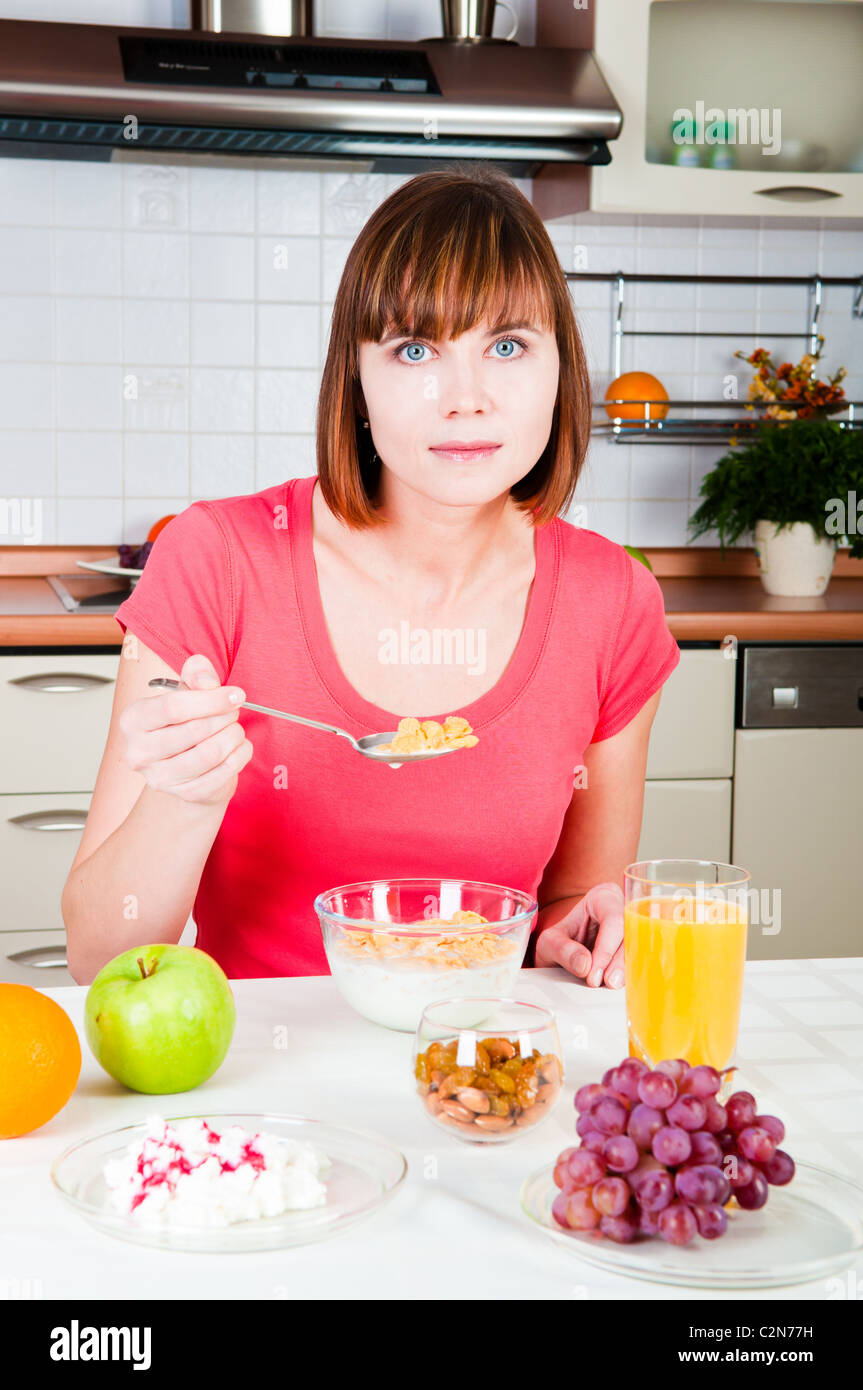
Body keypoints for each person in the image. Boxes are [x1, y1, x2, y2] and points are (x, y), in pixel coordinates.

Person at [62, 167, 680, 987]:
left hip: (483, 1076)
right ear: (355, 379)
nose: (466, 398)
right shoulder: (218, 561)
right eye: (415, 348)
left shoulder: (614, 603)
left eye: (506, 346)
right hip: (259, 1086)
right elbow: (99, 957)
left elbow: (570, 899)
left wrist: (582, 932)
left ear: (558, 368)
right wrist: (185, 797)